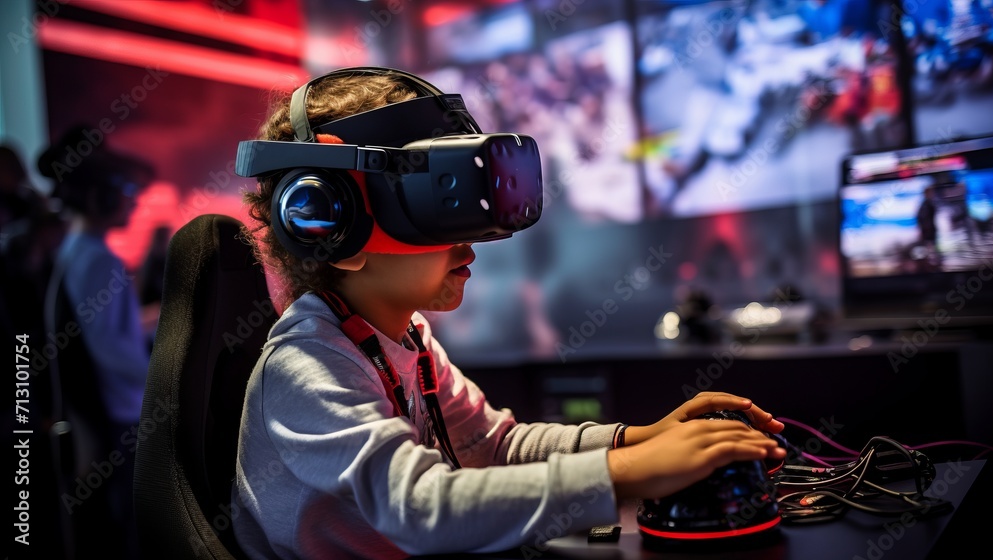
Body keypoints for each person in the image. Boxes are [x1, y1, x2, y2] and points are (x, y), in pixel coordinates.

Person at [233, 67, 785, 559]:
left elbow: (494, 447)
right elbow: (418, 506)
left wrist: (637, 440)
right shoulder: (304, 367)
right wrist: (623, 475)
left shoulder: (406, 338)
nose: (471, 244)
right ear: (331, 221)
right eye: (437, 209)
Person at [38, 125, 156, 560]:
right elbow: (111, 350)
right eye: (125, 189)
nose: (134, 198)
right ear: (98, 196)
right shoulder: (98, 259)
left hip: (110, 413)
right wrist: (166, 386)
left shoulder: (80, 250)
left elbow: (104, 333)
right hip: (122, 415)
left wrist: (144, 321)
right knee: (125, 528)